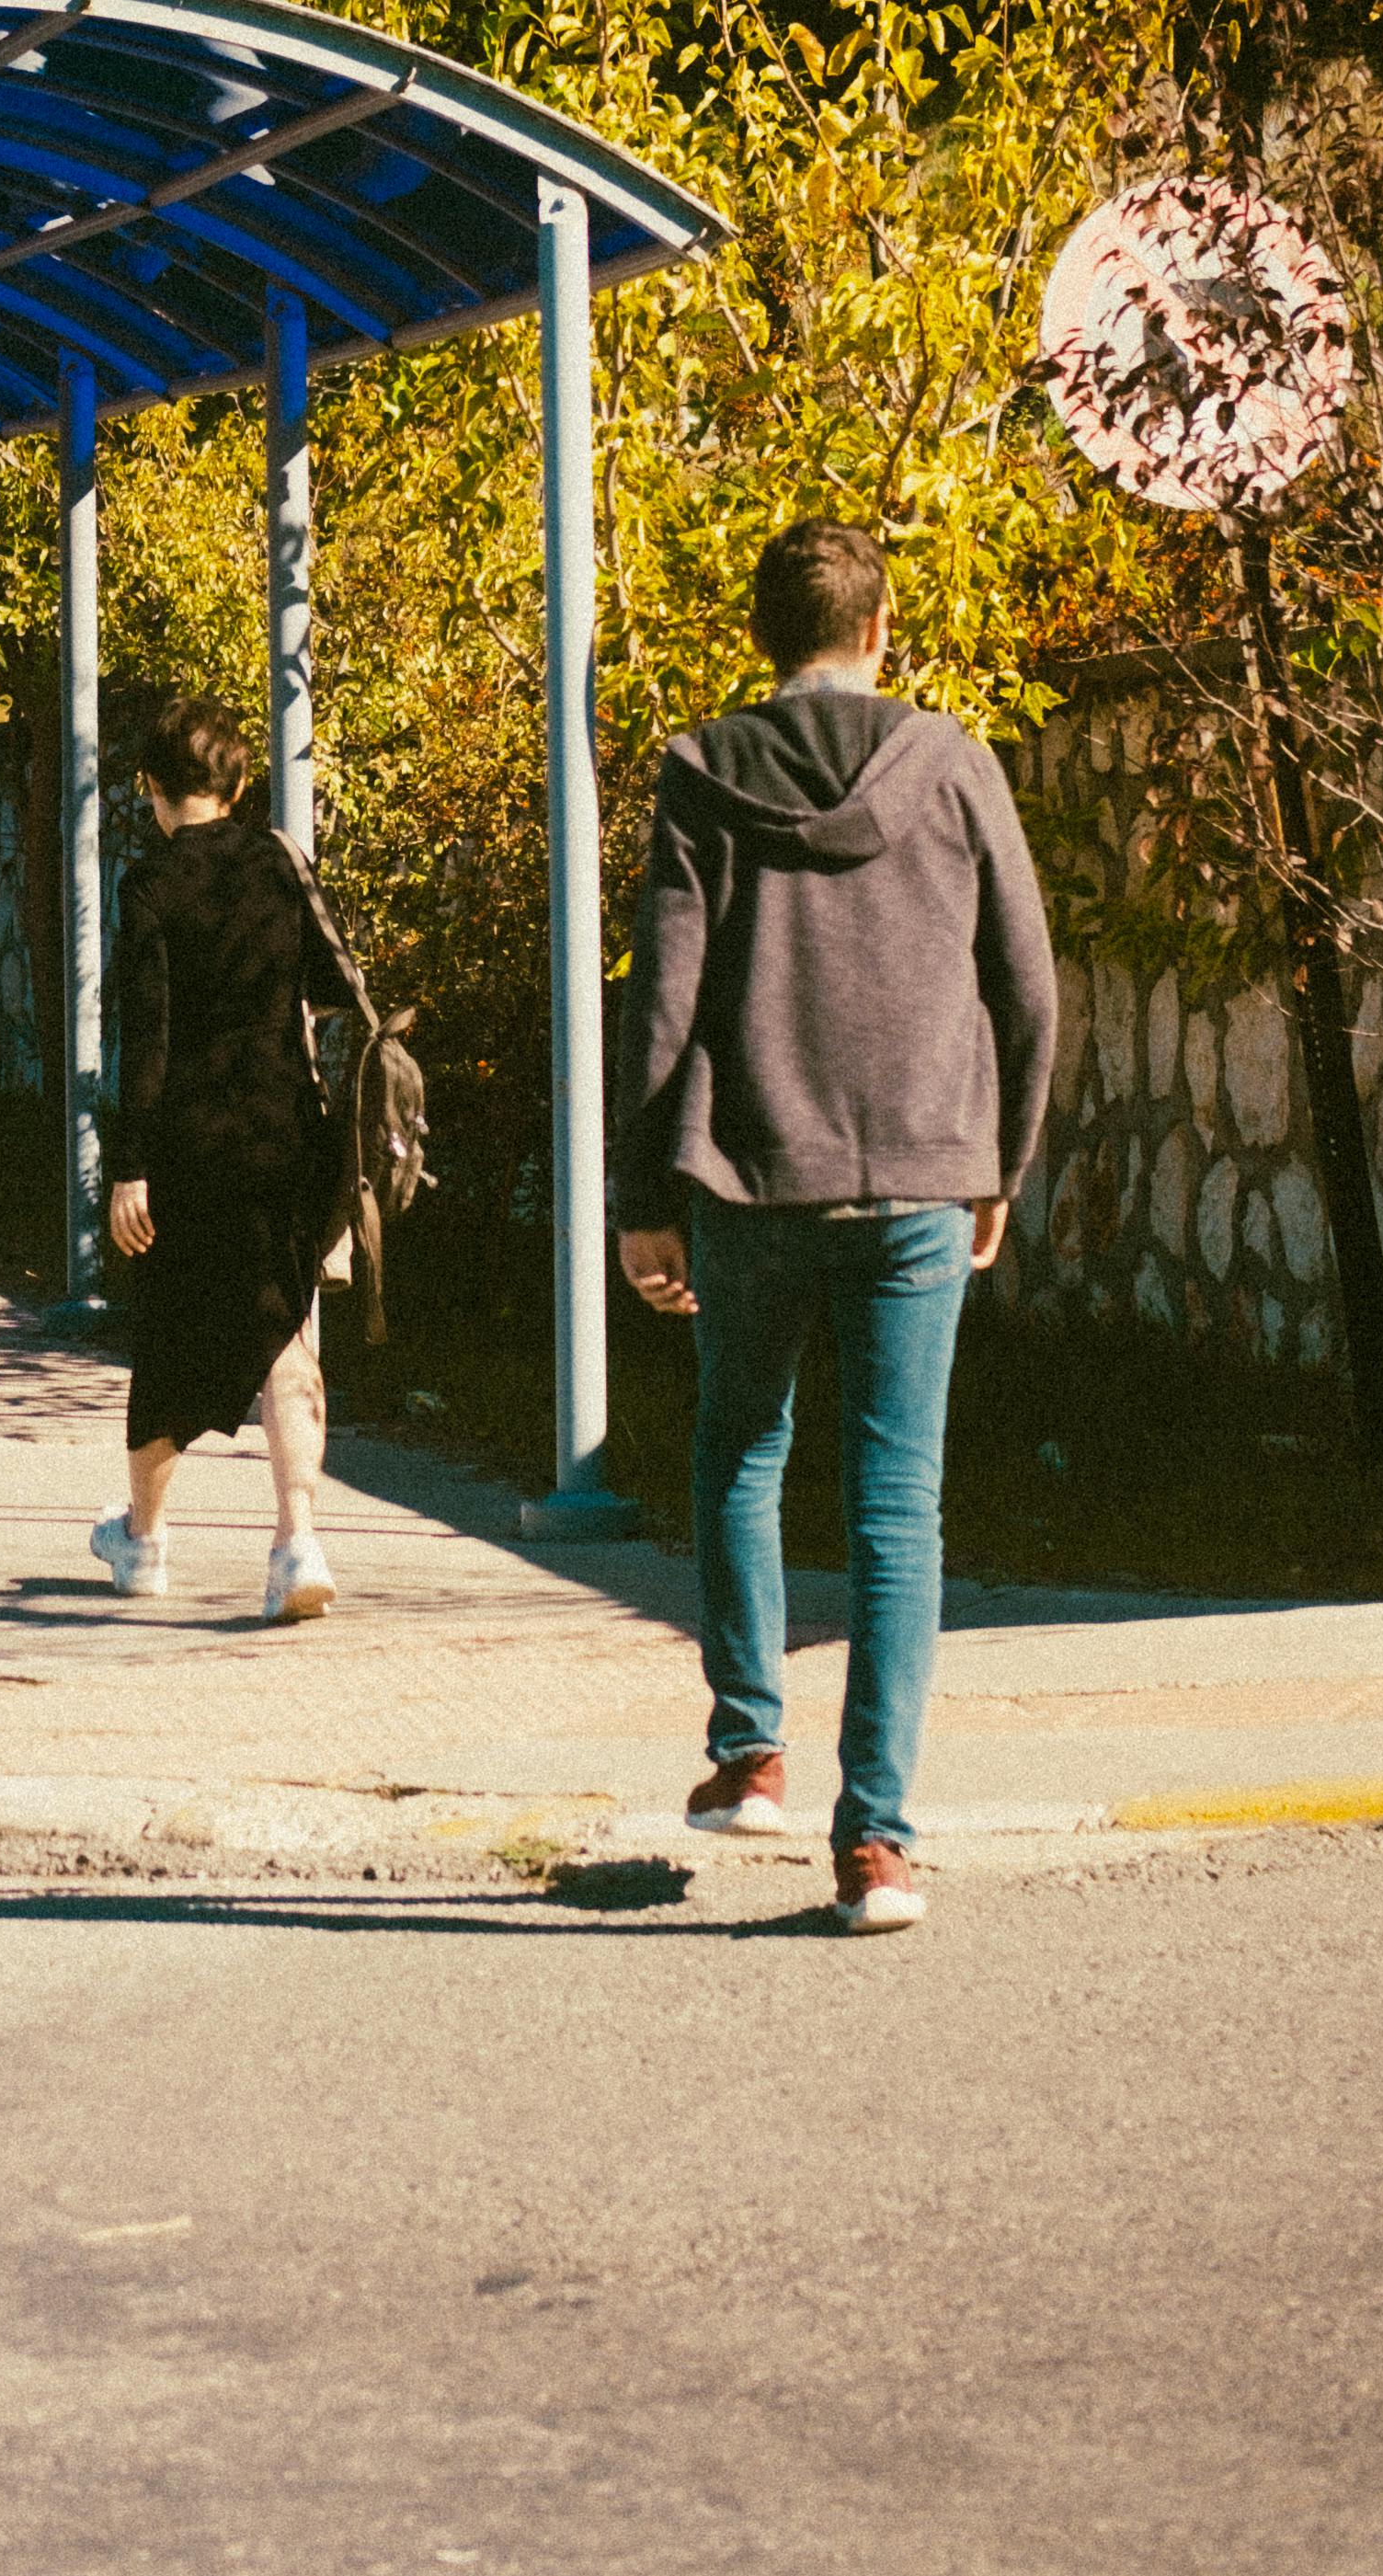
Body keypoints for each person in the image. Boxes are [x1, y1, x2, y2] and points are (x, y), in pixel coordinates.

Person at [611, 520, 1057, 1936]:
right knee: (894, 1501)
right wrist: (1000, 1165)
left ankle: (749, 1752)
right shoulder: (953, 763)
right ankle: (875, 1845)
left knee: (740, 1448)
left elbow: (663, 998)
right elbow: (1027, 983)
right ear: (877, 630)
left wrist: (640, 1199)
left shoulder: (702, 770)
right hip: (922, 1178)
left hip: (752, 1177)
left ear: (764, 637)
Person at [92, 695, 371, 1625]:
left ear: (151, 789)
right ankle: (298, 1543)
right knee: (283, 1330)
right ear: (241, 782)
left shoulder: (148, 885)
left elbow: (148, 1038)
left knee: (168, 1338)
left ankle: (143, 1541)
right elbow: (335, 983)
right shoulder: (280, 860)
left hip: (190, 1147)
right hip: (285, 1136)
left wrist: (129, 1167)